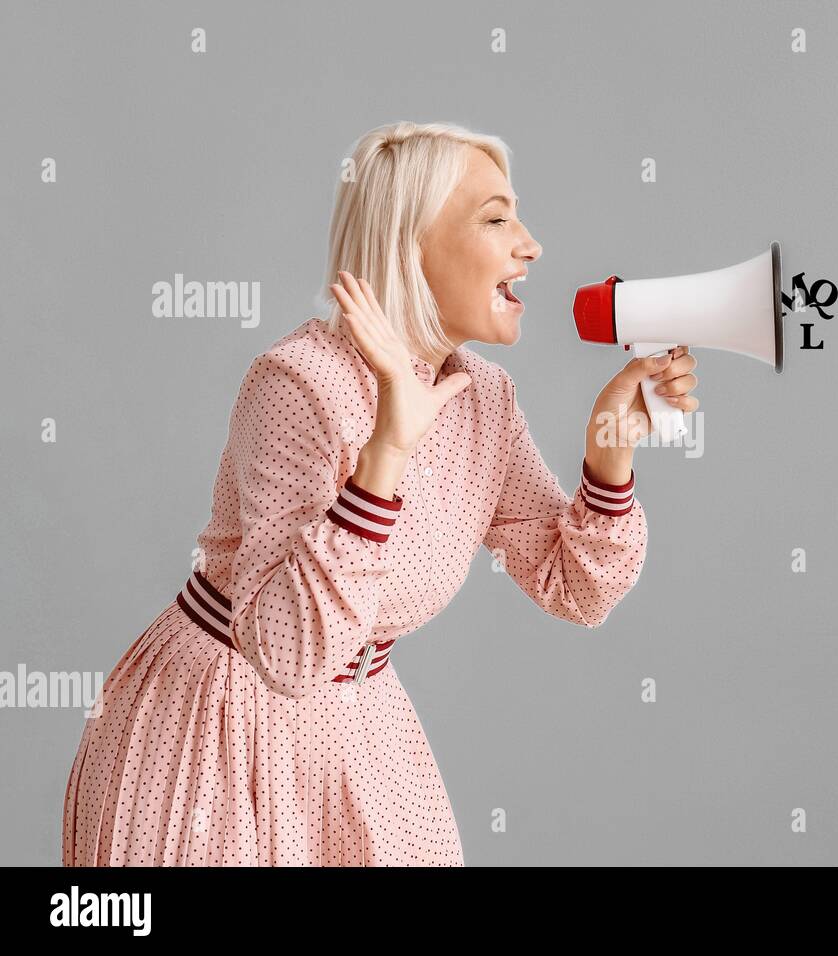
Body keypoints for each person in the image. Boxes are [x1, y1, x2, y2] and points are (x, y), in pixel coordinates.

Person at [61, 121, 700, 866]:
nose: (531, 246)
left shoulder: (483, 397)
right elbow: (287, 655)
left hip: (362, 726)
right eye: (496, 219)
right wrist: (387, 451)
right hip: (220, 730)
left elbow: (575, 589)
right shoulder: (299, 382)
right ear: (410, 245)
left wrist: (610, 453)